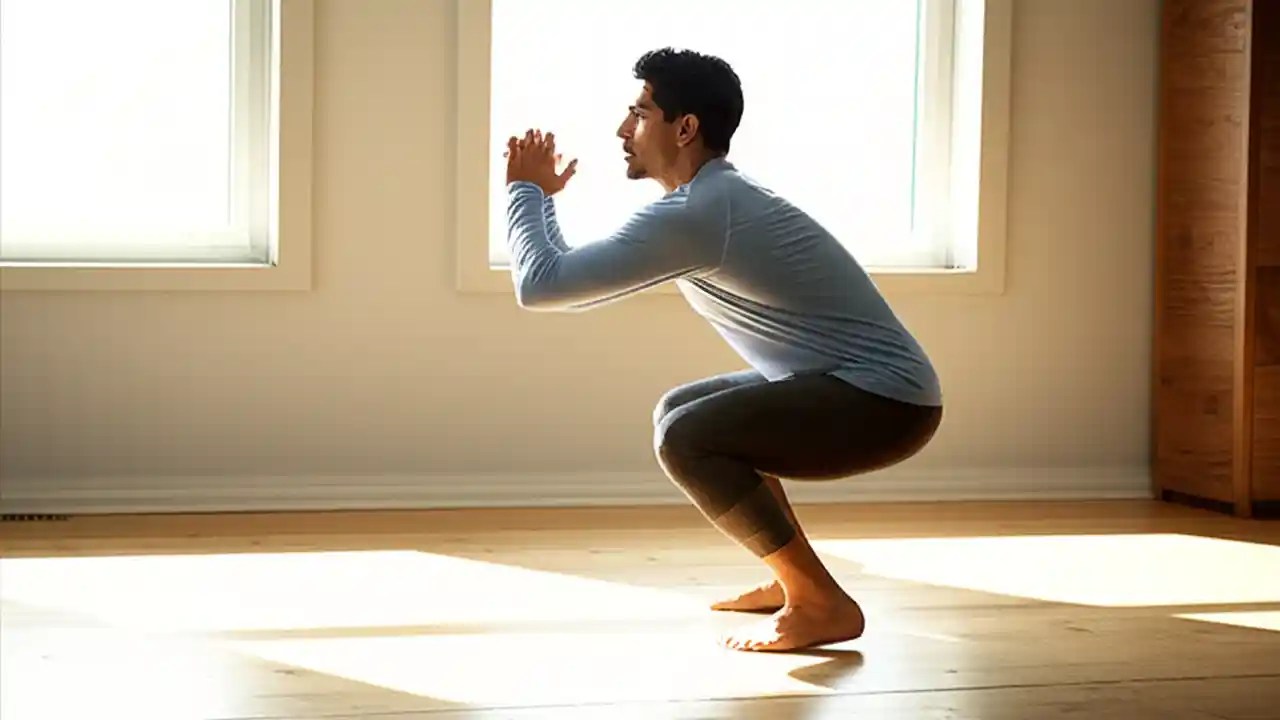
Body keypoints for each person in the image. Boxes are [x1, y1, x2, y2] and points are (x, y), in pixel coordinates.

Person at [502, 47, 943, 652]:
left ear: (685, 128)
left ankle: (821, 602)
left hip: (885, 403)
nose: (621, 130)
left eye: (639, 114)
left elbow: (540, 285)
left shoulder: (701, 212)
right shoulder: (709, 203)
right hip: (863, 389)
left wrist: (524, 191)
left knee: (688, 435)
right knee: (680, 409)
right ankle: (791, 578)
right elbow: (561, 279)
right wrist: (540, 198)